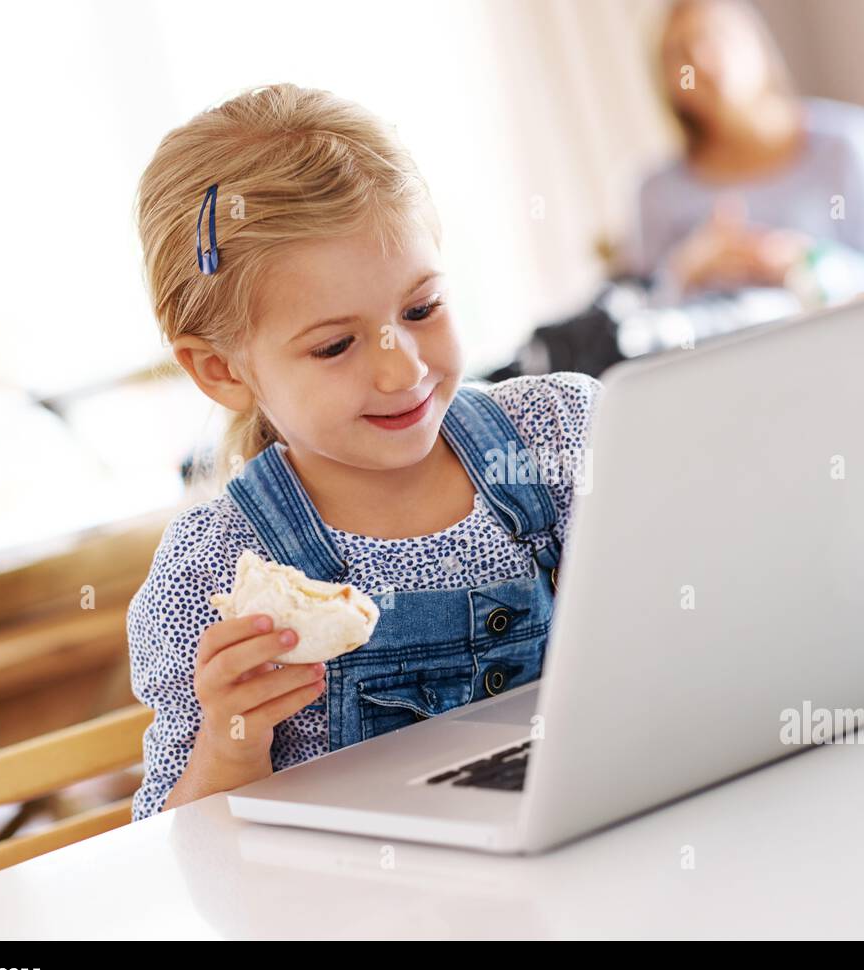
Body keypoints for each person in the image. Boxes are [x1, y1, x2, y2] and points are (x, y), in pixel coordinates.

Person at [128, 84, 600, 820]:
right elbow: (178, 852)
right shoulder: (211, 567)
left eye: (421, 309)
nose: (401, 367)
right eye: (335, 345)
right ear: (223, 370)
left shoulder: (561, 437)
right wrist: (231, 744)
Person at [624, 0, 864, 305]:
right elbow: (636, 319)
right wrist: (687, 271)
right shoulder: (655, 193)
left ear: (757, 42)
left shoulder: (847, 142)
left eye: (716, 36)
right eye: (680, 52)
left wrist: (809, 264)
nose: (702, 61)